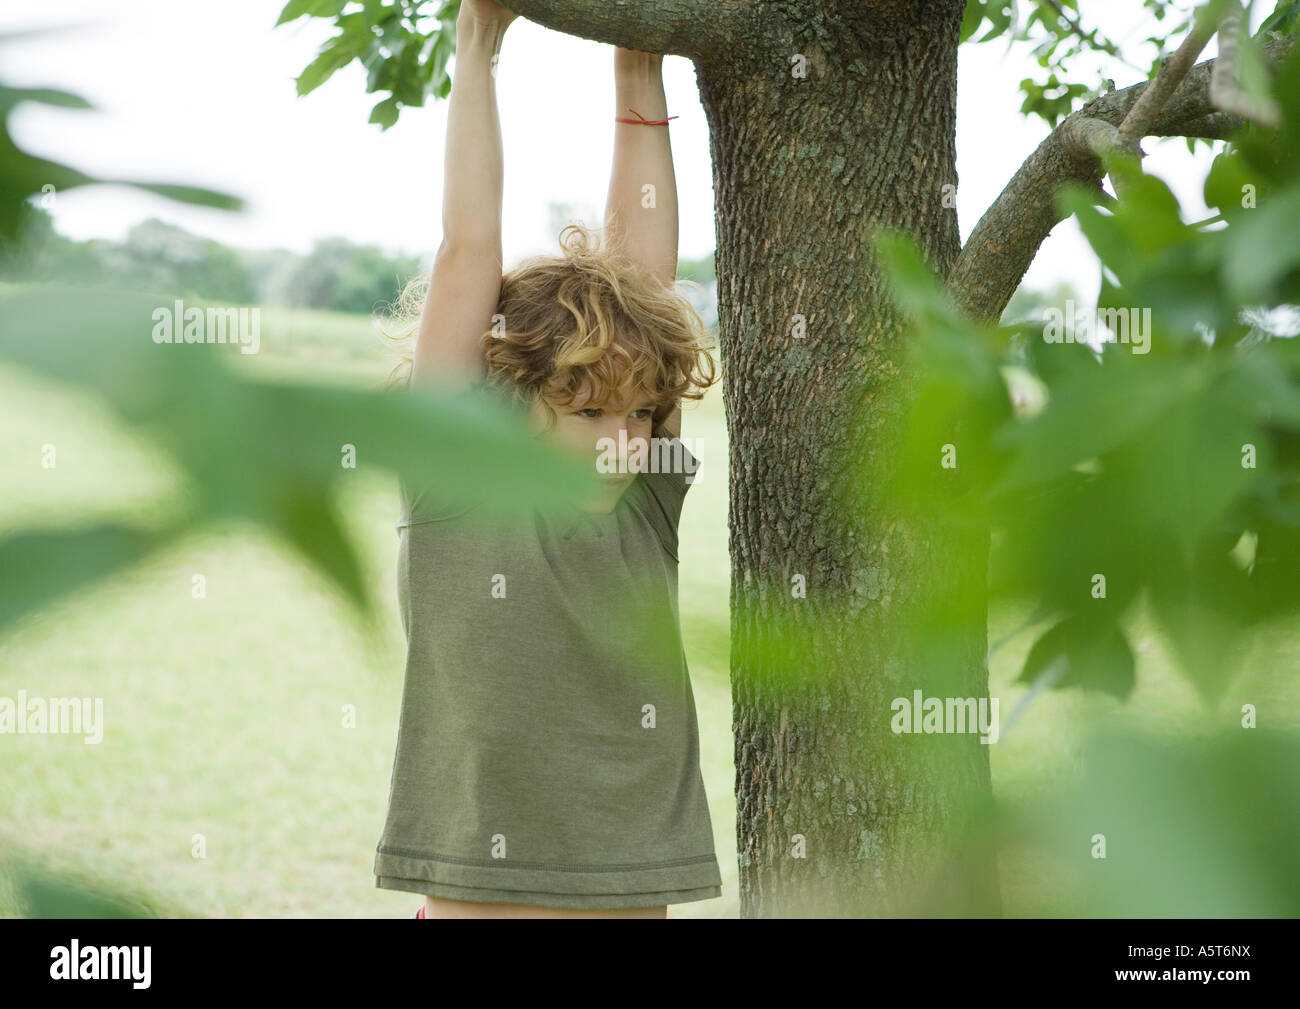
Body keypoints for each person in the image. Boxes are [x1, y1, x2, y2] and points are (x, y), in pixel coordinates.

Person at [372, 0, 722, 919]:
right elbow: (467, 247)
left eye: (644, 410)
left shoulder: (645, 497)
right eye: (591, 409)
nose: (628, 436)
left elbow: (645, 282)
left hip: (632, 880)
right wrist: (477, 48)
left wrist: (636, 72)